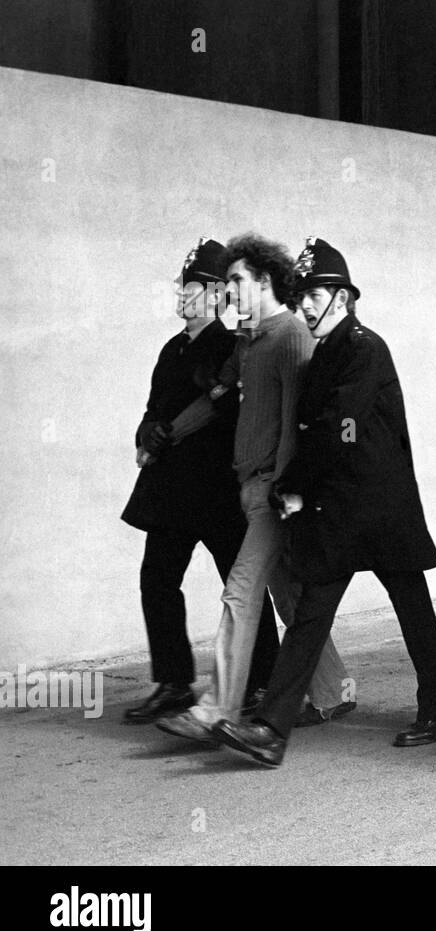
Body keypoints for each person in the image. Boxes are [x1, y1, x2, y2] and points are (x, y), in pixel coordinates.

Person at [212, 238, 436, 766]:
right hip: (340, 511)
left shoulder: (365, 348)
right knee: (310, 616)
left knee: (413, 609)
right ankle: (272, 731)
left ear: (342, 298)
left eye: (315, 295)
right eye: (300, 297)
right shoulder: (325, 353)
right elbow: (315, 430)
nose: (304, 306)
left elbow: (336, 430)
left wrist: (290, 483)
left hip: (381, 510)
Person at [156, 233, 353, 742]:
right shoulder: (249, 342)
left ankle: (214, 710)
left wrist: (286, 488)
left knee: (239, 593)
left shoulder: (290, 335)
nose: (230, 291)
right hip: (251, 486)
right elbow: (218, 401)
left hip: (273, 489)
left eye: (238, 281)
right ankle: (335, 692)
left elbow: (298, 420)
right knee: (289, 595)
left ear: (265, 282)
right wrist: (165, 436)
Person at [120, 238, 279, 724]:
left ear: (215, 296)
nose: (181, 295)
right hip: (170, 491)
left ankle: (261, 681)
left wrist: (174, 430)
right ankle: (173, 681)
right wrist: (147, 430)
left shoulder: (231, 346)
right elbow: (154, 406)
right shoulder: (173, 349)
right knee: (157, 580)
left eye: (191, 287)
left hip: (214, 490)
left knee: (241, 584)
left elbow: (225, 407)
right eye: (181, 286)